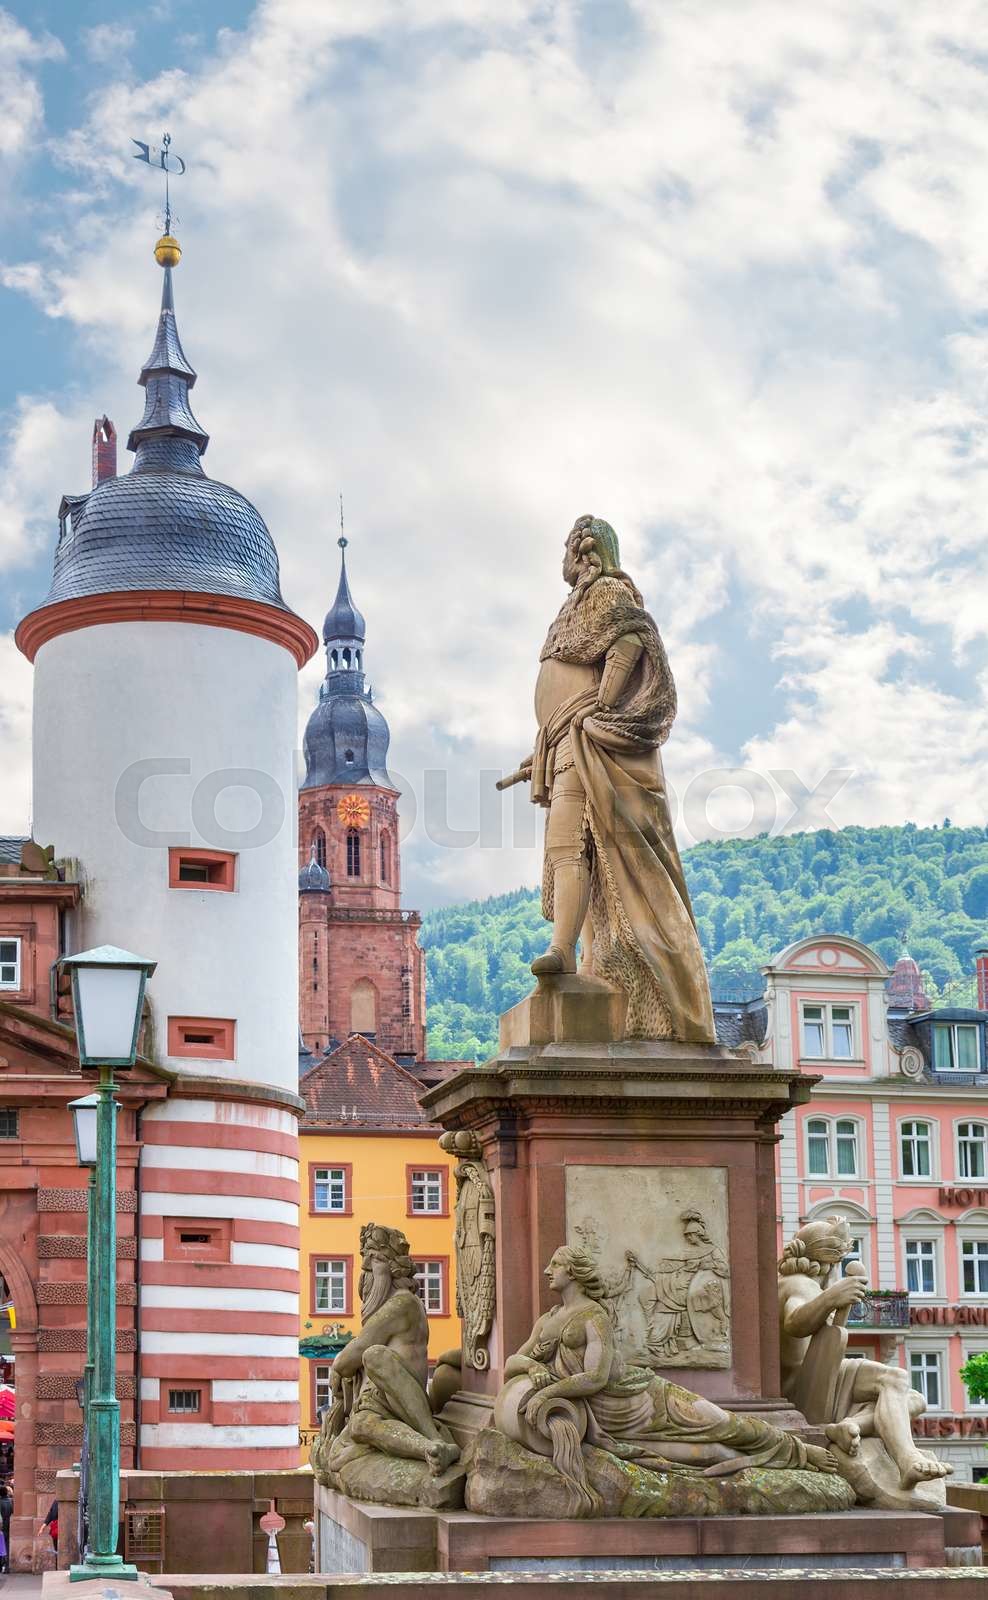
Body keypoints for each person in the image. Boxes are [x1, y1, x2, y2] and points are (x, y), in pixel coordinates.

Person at [510, 514, 715, 1042]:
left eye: (566, 548)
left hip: (592, 739)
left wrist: (599, 709)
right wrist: (546, 745)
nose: (562, 558)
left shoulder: (605, 591)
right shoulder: (571, 608)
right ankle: (568, 950)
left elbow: (631, 641)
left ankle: (563, 951)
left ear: (585, 554)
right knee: (568, 849)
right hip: (565, 741)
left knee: (573, 844)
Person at [497, 1245, 836, 1516]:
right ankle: (759, 1462)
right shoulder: (549, 1319)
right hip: (605, 1415)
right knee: (707, 1452)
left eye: (554, 1265)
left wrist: (549, 1391)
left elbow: (596, 1377)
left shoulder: (593, 1315)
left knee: (723, 1423)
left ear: (573, 1272)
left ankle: (799, 1452)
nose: (547, 1271)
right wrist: (531, 1367)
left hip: (640, 1398)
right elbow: (513, 1361)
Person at [778, 1216, 951, 1493]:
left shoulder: (796, 1282)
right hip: (809, 1390)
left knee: (913, 1399)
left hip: (823, 1377)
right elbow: (794, 1321)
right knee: (894, 1378)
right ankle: (907, 1459)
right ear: (830, 1263)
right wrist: (832, 1297)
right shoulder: (801, 1284)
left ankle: (849, 1426)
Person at [0, 1481, 12, 1571]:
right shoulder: (11, 1501)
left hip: (2, 1526)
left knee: (1, 1546)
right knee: (7, 1546)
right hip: (9, 1525)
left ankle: (2, 1565)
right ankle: (7, 1566)